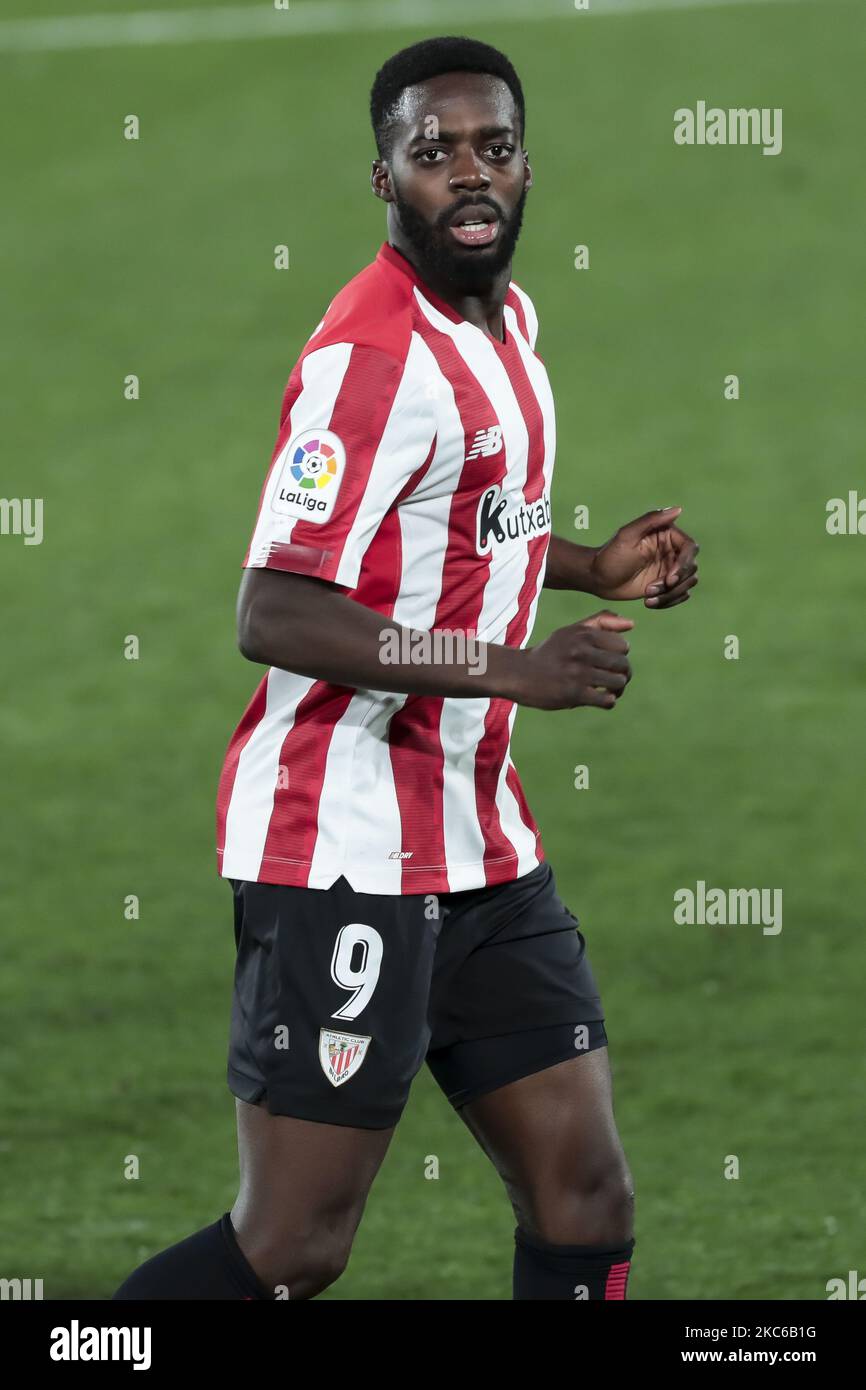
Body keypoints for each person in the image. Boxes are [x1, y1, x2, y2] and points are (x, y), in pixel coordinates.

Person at [114, 33, 698, 1302]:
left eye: (491, 147)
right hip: (339, 842)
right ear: (384, 180)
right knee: (292, 1246)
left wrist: (590, 565)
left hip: (480, 842)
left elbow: (447, 531)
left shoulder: (507, 321)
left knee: (583, 1191)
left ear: (528, 163)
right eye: (432, 154)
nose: (467, 174)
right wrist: (511, 671)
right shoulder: (369, 364)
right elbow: (273, 609)